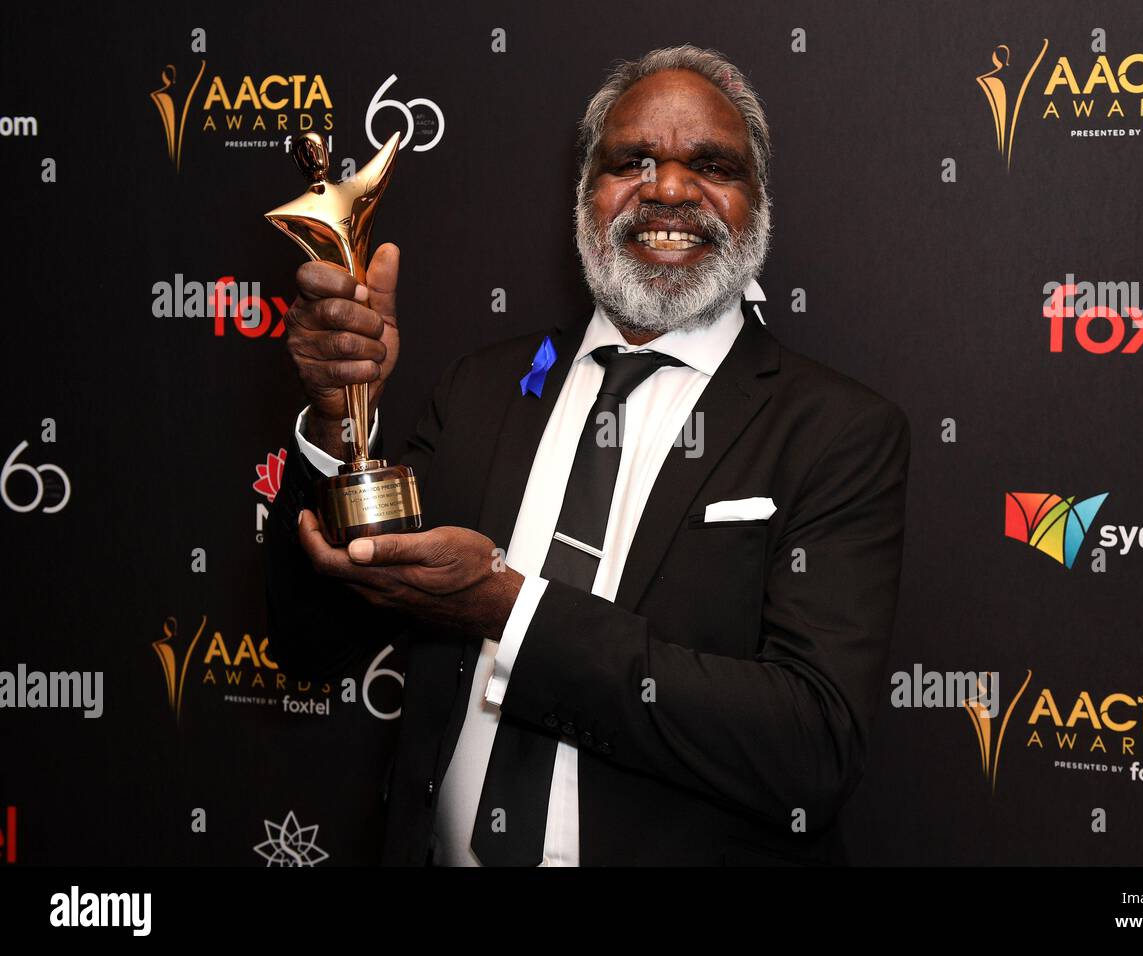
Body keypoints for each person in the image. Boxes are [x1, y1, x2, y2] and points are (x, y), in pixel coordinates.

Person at [266, 44, 910, 867]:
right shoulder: (480, 391)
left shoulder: (838, 431)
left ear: (759, 203)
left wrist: (507, 606)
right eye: (630, 161)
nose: (669, 189)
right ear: (584, 197)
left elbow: (811, 749)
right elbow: (310, 640)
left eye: (711, 164)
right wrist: (335, 423)